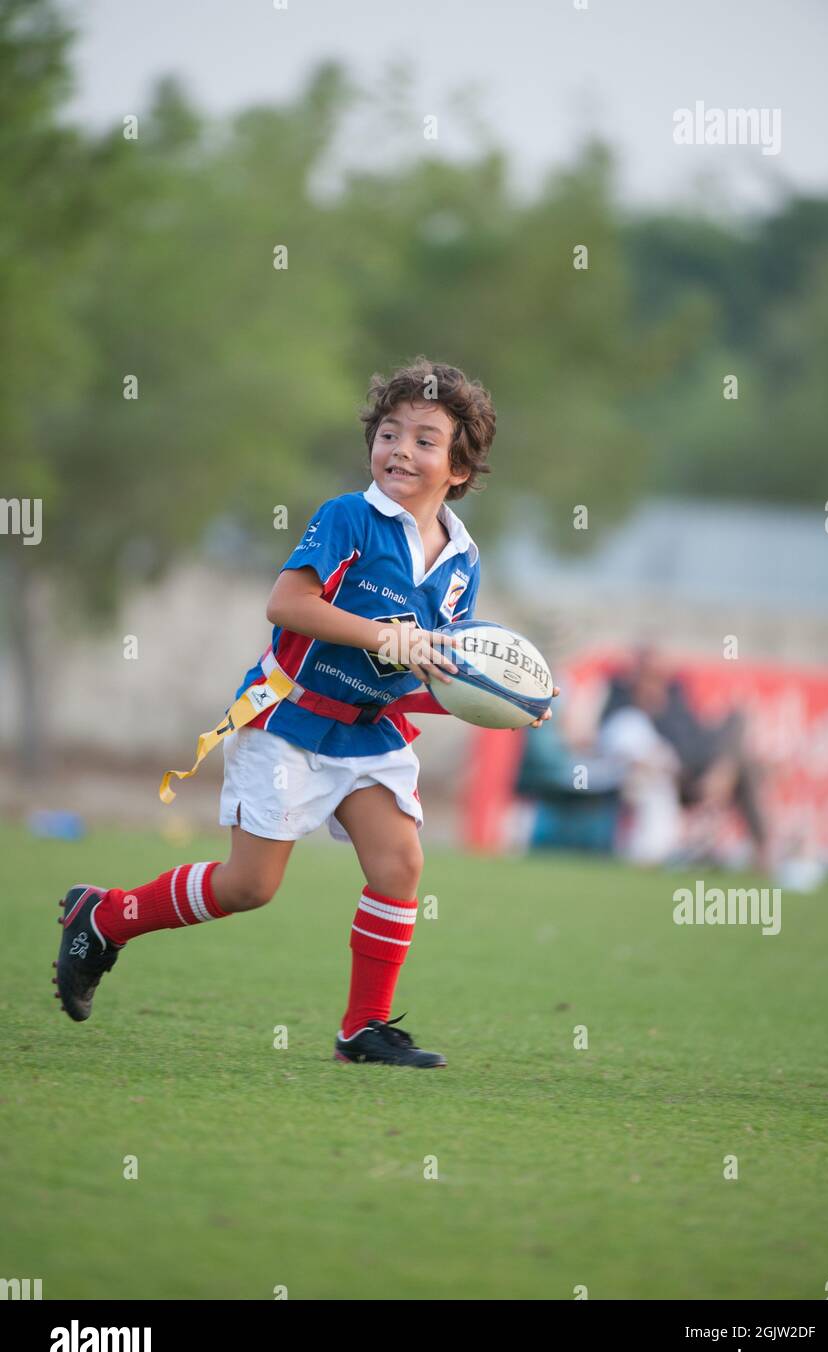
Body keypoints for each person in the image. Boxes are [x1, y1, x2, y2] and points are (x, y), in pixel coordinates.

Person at [51, 357, 560, 1067]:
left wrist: (497, 703)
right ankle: (103, 918)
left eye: (423, 440)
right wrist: (388, 636)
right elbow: (287, 606)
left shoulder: (463, 561)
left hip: (370, 734)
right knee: (249, 886)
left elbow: (424, 676)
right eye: (389, 433)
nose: (399, 451)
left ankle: (363, 1030)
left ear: (460, 470)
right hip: (287, 720)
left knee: (399, 865)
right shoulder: (349, 517)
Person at [600, 647, 769, 868]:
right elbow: (626, 747)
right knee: (746, 768)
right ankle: (760, 853)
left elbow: (697, 737)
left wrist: (720, 769)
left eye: (657, 675)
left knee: (740, 734)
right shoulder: (627, 712)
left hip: (703, 767)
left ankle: (761, 851)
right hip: (670, 777)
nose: (652, 682)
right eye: (646, 675)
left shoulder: (677, 703)